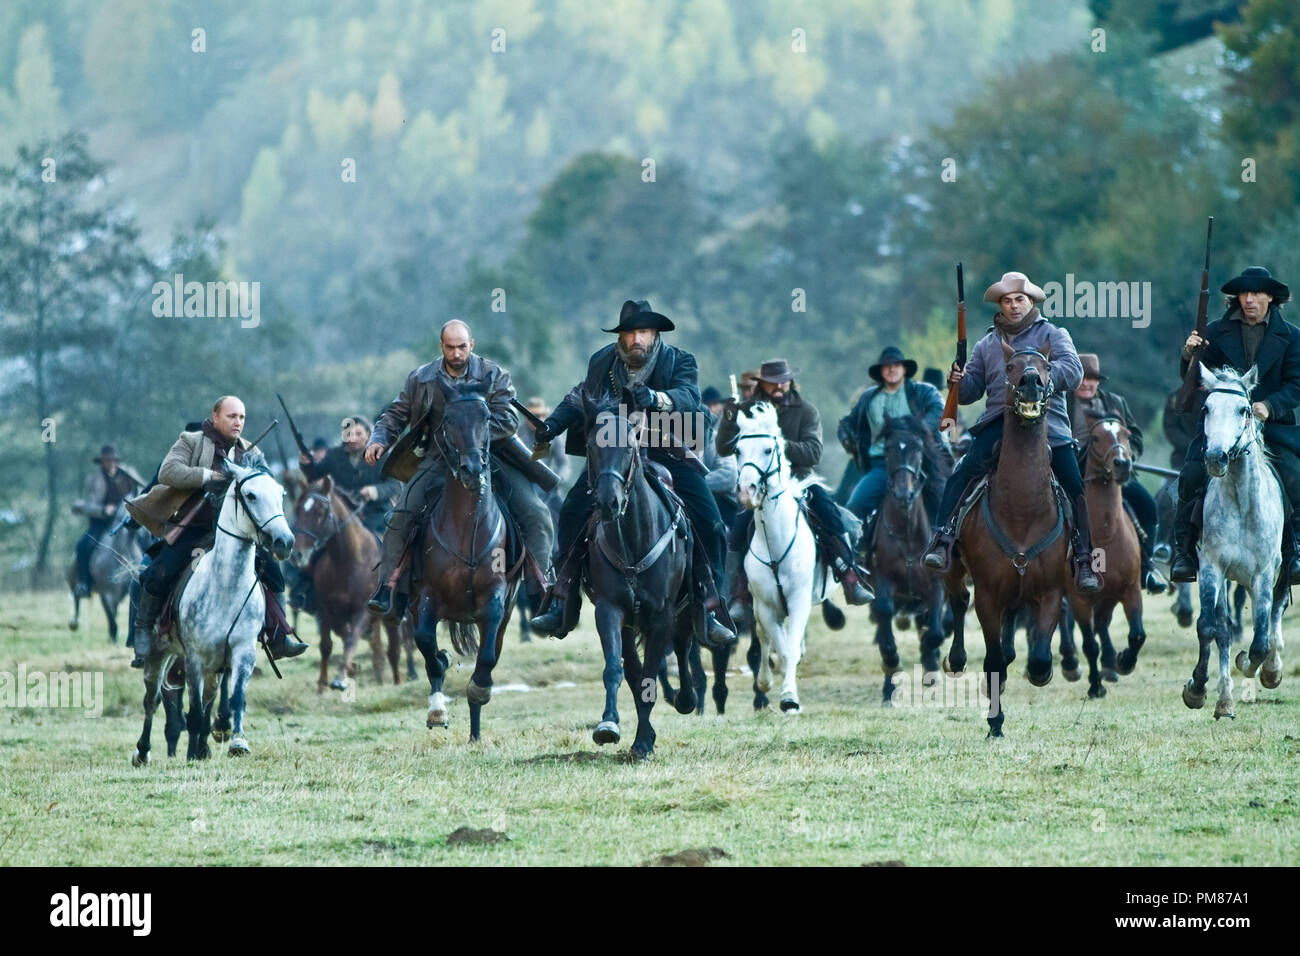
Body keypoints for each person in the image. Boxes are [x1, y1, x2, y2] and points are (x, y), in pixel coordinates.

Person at [529, 299, 737, 646]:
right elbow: (580, 397)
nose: (635, 338)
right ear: (621, 338)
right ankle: (563, 599)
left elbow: (688, 396)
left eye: (642, 331)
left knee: (712, 523)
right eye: (629, 333)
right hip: (613, 455)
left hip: (668, 450)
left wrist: (655, 398)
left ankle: (709, 606)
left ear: (654, 334)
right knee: (570, 512)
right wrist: (552, 425)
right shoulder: (602, 361)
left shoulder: (680, 360)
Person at [921, 271, 1102, 593]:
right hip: (998, 422)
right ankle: (942, 539)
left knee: (1074, 484)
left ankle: (1085, 560)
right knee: (961, 473)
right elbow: (970, 393)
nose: (1014, 305)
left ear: (1030, 301)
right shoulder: (986, 344)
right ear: (1001, 305)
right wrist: (957, 381)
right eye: (1007, 300)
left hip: (1050, 426)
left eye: (1020, 299)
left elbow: (1073, 372)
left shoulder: (1054, 333)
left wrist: (1035, 373)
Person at [365, 320, 556, 621]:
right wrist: (378, 439)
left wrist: (471, 436)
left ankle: (542, 589)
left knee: (536, 513)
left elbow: (508, 420)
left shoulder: (494, 374)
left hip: (492, 457)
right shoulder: (421, 378)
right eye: (450, 347)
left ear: (472, 345)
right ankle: (391, 590)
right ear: (441, 346)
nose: (456, 353)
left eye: (462, 347)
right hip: (438, 459)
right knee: (400, 516)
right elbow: (396, 414)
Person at [126, 396, 309, 667]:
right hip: (194, 529)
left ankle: (279, 635)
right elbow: (168, 471)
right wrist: (207, 477)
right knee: (158, 572)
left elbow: (266, 483)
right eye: (231, 416)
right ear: (215, 417)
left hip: (238, 534)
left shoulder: (251, 452)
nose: (238, 422)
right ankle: (143, 633)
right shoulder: (191, 441)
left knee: (273, 571)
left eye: (242, 418)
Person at [1170, 266, 1300, 583]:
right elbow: (1194, 378)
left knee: (1295, 476)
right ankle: (1184, 552)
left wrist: (1269, 406)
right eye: (1244, 293)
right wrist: (1188, 355)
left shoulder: (1292, 336)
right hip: (1223, 428)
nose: (1249, 299)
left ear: (1271, 297)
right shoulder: (1214, 332)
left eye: (1256, 293)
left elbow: (1297, 384)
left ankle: (1294, 549)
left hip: (1271, 427)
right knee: (1190, 477)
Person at [717, 357, 874, 605]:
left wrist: (778, 447)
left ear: (790, 382)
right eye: (772, 383)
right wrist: (728, 420)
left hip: (800, 481)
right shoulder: (747, 410)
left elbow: (813, 453)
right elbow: (724, 449)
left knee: (829, 515)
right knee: (737, 533)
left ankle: (849, 576)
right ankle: (735, 595)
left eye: (783, 382)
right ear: (763, 384)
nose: (779, 387)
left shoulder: (807, 411)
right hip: (760, 488)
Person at [839, 347, 947, 573]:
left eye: (896, 365)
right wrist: (847, 436)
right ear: (880, 372)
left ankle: (944, 549)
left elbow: (939, 410)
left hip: (920, 460)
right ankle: (857, 558)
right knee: (854, 505)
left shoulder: (923, 391)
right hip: (882, 464)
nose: (891, 369)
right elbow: (848, 422)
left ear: (904, 369)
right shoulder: (869, 398)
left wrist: (918, 429)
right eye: (887, 366)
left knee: (946, 498)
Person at [1066, 353, 1167, 593]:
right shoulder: (1062, 403)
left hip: (1115, 472)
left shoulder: (1115, 403)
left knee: (1147, 507)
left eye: (1092, 378)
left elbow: (1136, 437)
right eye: (1081, 377)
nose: (1086, 383)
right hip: (1075, 471)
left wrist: (1127, 457)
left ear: (1098, 381)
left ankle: (1147, 567)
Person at [287, 414, 400, 611]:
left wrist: (374, 491)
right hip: (341, 518)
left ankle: (389, 594)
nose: (353, 437)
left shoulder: (382, 455)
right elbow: (314, 474)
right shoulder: (333, 456)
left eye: (358, 433)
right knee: (316, 542)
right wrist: (306, 464)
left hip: (375, 516)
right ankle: (304, 588)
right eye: (349, 433)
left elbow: (395, 484)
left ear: (368, 434)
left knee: (390, 550)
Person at [71, 445, 145, 597]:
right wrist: (103, 510)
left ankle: (150, 580)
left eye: (113, 460)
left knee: (149, 542)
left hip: (129, 521)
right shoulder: (93, 480)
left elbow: (144, 490)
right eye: (107, 460)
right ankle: (84, 583)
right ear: (102, 462)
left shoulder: (129, 474)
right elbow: (88, 504)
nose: (111, 463)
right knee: (83, 545)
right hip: (102, 523)